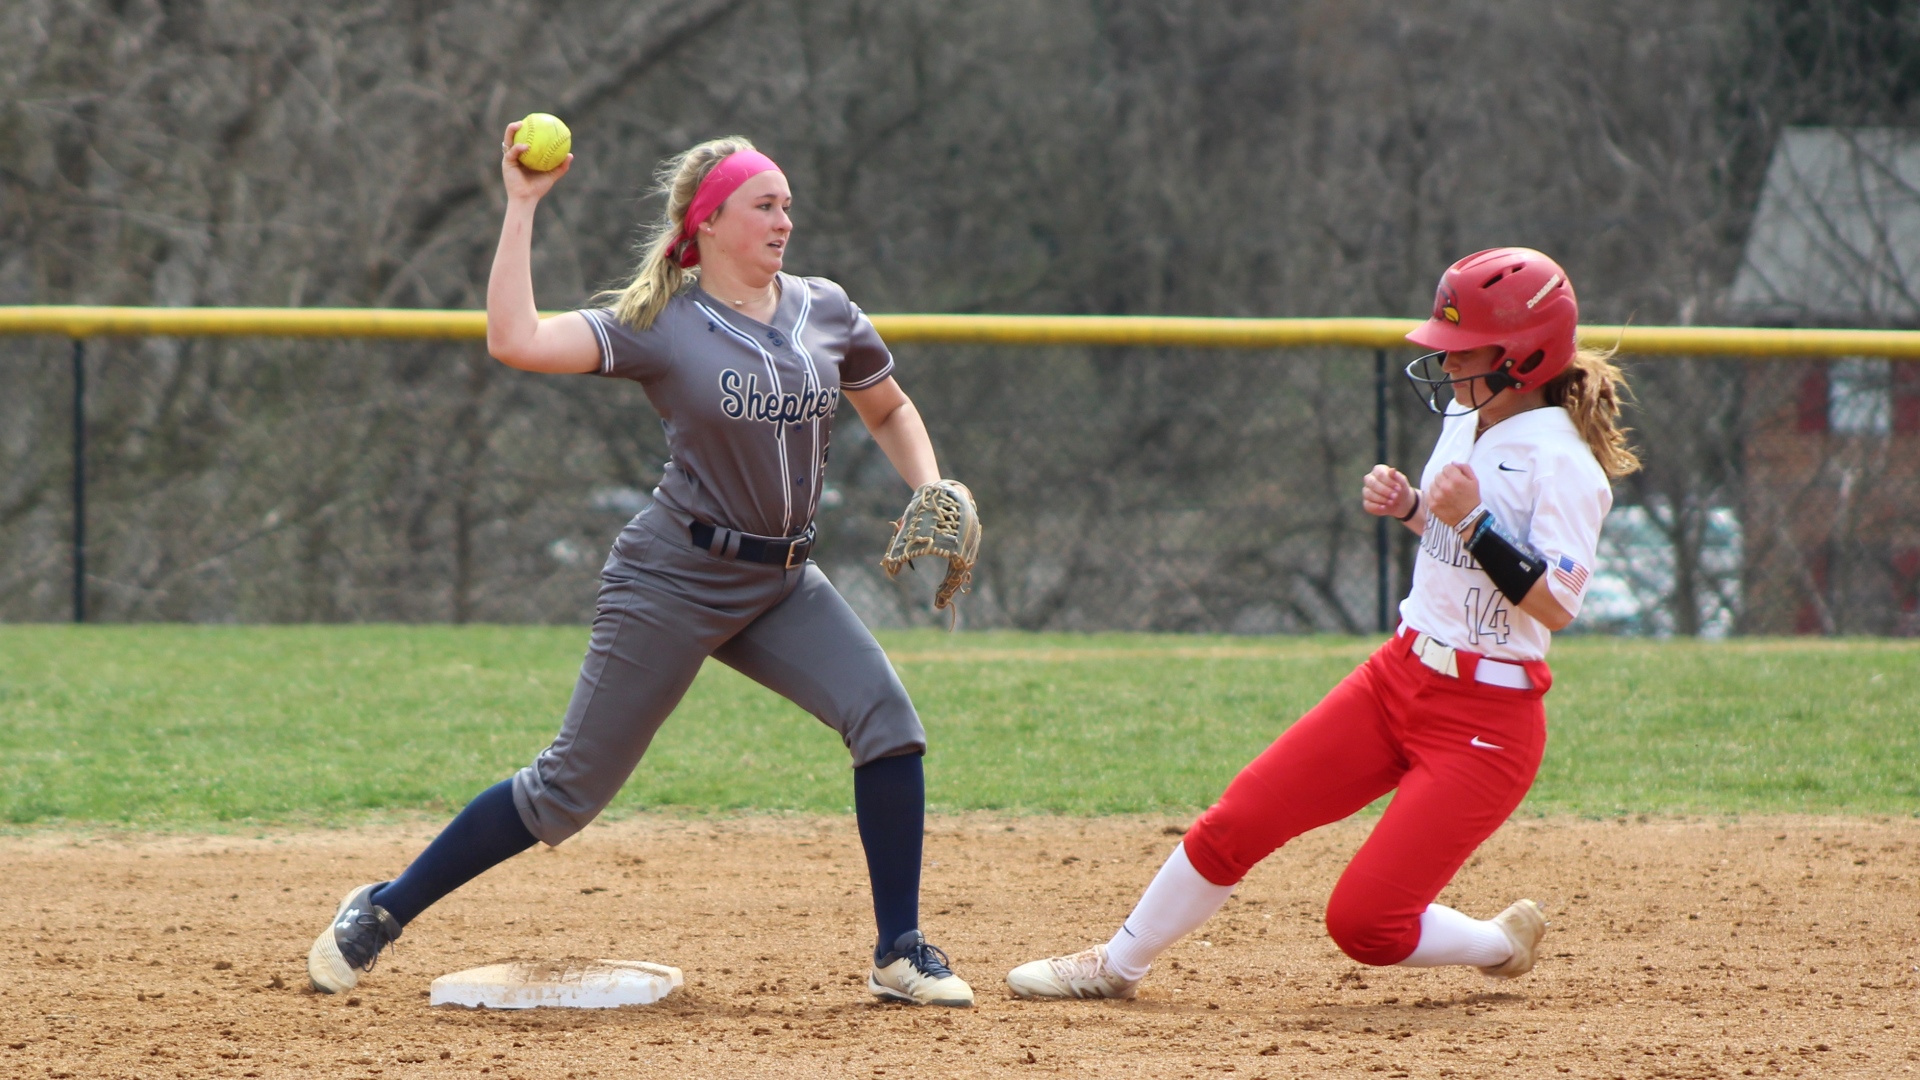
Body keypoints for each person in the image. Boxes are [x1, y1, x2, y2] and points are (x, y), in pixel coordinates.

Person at [306, 126, 975, 1007]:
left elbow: (887, 408)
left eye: (787, 206)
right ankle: (383, 910)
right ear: (710, 223)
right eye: (763, 206)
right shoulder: (663, 325)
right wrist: (521, 206)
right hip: (673, 578)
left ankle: (899, 950)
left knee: (886, 719)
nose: (784, 221)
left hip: (780, 583)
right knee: (566, 792)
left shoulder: (826, 308)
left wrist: (930, 485)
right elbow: (515, 339)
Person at [1006, 247, 1640, 1000]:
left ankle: (1499, 943)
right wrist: (1415, 510)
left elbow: (1556, 603)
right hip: (1399, 675)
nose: (1445, 364)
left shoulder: (1565, 463)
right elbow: (1461, 549)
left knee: (1365, 923)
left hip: (1486, 719)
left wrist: (1471, 519)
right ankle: (1116, 965)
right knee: (1237, 820)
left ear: (1522, 357)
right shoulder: (1467, 420)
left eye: (1464, 351)